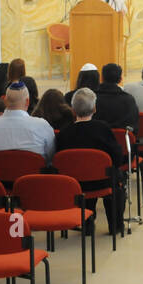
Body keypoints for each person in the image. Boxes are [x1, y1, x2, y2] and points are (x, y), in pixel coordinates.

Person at [55, 87, 126, 232]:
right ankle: (116, 225)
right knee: (115, 177)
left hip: (74, 183)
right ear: (94, 109)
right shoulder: (103, 129)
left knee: (84, 173)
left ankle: (87, 222)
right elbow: (117, 155)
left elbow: (59, 159)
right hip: (102, 181)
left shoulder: (64, 133)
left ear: (73, 110)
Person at [0, 82, 56, 162]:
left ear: (5, 101)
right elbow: (50, 156)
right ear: (27, 101)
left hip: (1, 173)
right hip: (34, 173)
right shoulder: (42, 125)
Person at [94, 63, 140, 133]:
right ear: (120, 79)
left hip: (97, 141)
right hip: (122, 141)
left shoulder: (92, 98)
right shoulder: (129, 100)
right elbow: (134, 127)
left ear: (102, 78)